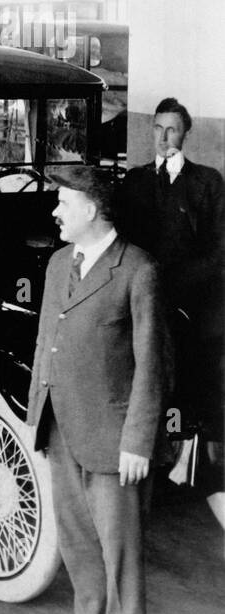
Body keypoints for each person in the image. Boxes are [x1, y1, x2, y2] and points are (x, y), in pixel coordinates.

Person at [28, 167, 171, 614]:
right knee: (78, 541)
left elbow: (152, 364)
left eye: (63, 203)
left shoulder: (138, 270)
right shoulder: (59, 262)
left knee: (121, 552)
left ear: (90, 209)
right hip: (61, 427)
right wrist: (35, 417)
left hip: (113, 438)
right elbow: (47, 342)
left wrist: (138, 441)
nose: (55, 212)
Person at [119, 97, 225, 478]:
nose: (164, 138)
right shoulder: (135, 181)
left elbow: (219, 250)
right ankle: (142, 444)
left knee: (181, 378)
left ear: (185, 134)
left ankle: (178, 450)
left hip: (189, 302)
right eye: (158, 129)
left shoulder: (207, 182)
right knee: (144, 371)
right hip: (143, 297)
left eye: (172, 130)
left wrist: (178, 288)